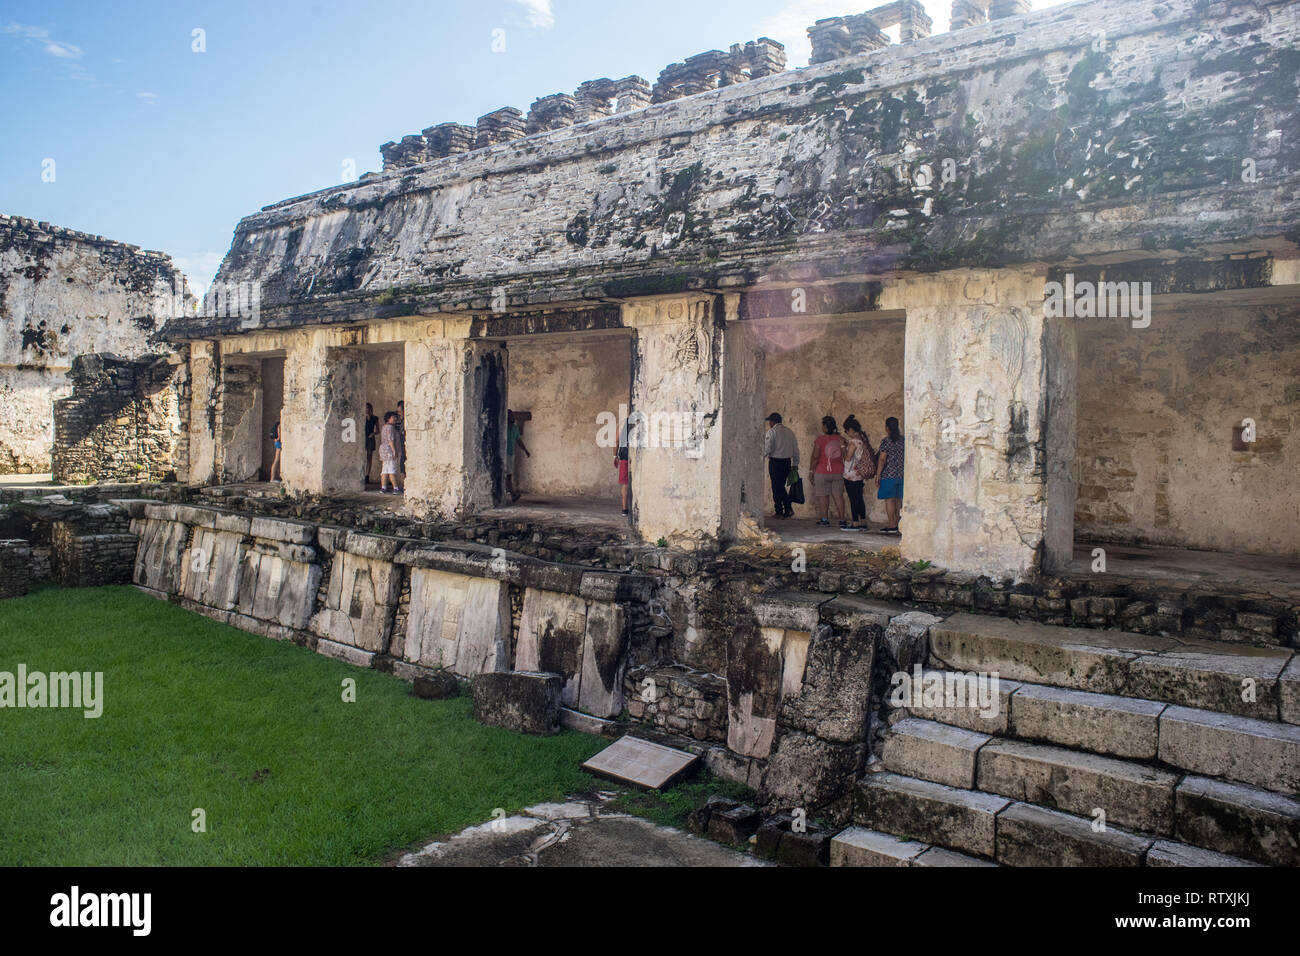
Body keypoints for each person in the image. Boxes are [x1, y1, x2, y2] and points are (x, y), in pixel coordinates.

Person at [808, 415, 849, 528]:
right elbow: (846, 456)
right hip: (838, 471)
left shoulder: (820, 440)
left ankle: (824, 519)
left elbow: (815, 457)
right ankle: (842, 520)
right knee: (838, 496)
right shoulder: (841, 439)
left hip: (822, 472)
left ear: (825, 427)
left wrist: (811, 471)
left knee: (823, 496)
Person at [842, 415, 878, 531]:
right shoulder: (863, 439)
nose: (847, 433)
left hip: (850, 474)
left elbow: (847, 458)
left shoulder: (853, 442)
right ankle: (863, 521)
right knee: (859, 498)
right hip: (859, 474)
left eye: (847, 431)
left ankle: (855, 523)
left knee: (853, 499)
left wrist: (843, 446)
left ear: (851, 430)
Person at [763, 412, 799, 519]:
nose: (769, 423)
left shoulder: (772, 432)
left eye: (770, 421)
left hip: (775, 463)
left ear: (773, 422)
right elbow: (796, 450)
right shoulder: (790, 432)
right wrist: (795, 463)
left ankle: (780, 510)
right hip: (787, 463)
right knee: (780, 487)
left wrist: (761, 457)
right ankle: (786, 509)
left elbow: (768, 448)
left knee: (776, 487)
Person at [876, 416, 905, 535]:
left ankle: (892, 524)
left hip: (889, 475)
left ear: (887, 428)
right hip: (902, 474)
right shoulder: (903, 440)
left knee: (889, 500)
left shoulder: (886, 441)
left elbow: (882, 459)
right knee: (898, 500)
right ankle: (899, 523)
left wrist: (878, 475)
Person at [505, 409, 531, 503]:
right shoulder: (503, 427)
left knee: (508, 475)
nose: (512, 417)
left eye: (512, 415)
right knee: (508, 476)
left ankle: (511, 494)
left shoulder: (515, 428)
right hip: (504, 454)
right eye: (510, 415)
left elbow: (518, 440)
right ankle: (513, 494)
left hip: (511, 454)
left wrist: (525, 450)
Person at [615, 413, 636, 517]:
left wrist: (614, 456)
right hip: (636, 457)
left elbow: (616, 441)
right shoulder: (640, 422)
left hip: (624, 457)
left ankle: (624, 509)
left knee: (625, 484)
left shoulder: (622, 424)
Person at [379, 411, 404, 495]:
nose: (395, 419)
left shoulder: (384, 427)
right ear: (388, 418)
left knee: (385, 470)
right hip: (389, 451)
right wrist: (394, 451)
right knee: (391, 470)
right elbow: (391, 440)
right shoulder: (390, 427)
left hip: (384, 451)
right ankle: (395, 488)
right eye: (393, 417)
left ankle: (383, 488)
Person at [364, 403, 379, 485]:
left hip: (370, 438)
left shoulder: (374, 418)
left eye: (368, 408)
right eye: (365, 408)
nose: (366, 410)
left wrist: (373, 434)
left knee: (369, 458)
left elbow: (378, 430)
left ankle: (367, 475)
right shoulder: (362, 417)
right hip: (363, 438)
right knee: (363, 457)